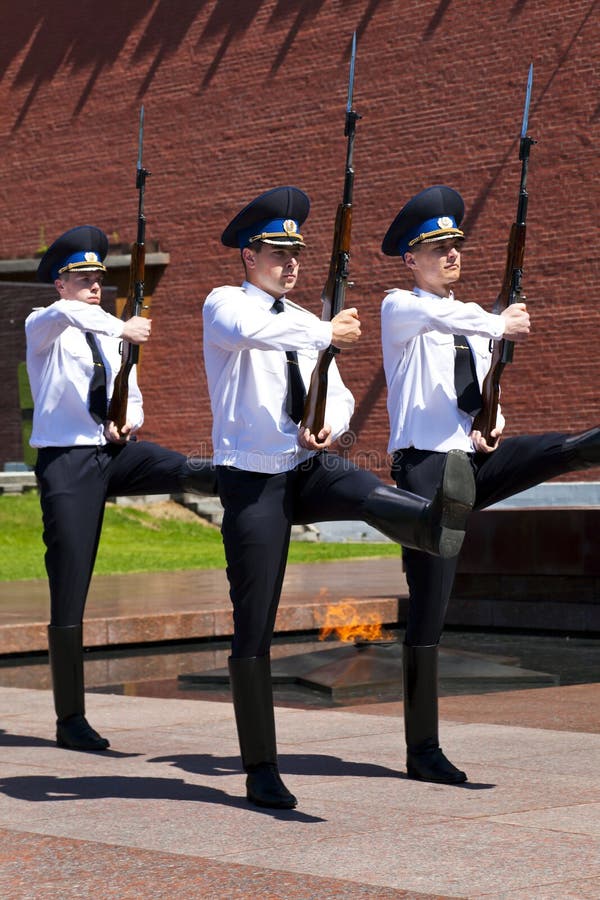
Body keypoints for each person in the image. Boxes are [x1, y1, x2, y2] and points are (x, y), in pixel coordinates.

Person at [203, 185, 477, 810]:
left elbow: (343, 393)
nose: (290, 262)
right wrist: (325, 329)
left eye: (295, 252)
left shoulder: (308, 321)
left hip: (305, 464)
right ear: (249, 256)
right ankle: (261, 767)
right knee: (255, 621)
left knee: (363, 485)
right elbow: (251, 332)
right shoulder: (225, 304)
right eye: (277, 252)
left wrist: (328, 421)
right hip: (251, 478)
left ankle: (434, 522)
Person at [380, 184, 600, 785]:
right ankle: (421, 749)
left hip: (469, 462)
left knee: (554, 449)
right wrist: (499, 321)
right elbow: (442, 314)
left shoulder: (474, 323)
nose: (451, 254)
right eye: (436, 247)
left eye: (455, 245)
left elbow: (481, 402)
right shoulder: (400, 308)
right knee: (431, 609)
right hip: (425, 473)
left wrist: (491, 426)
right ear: (411, 258)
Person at [26, 225, 214, 753]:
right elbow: (70, 316)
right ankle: (70, 719)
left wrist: (125, 421)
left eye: (97, 278)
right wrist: (122, 325)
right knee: (70, 582)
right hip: (66, 463)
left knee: (184, 467)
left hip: (114, 453)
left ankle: (254, 481)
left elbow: (129, 392)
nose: (92, 285)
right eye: (81, 277)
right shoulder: (45, 323)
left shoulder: (110, 333)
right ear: (59, 282)